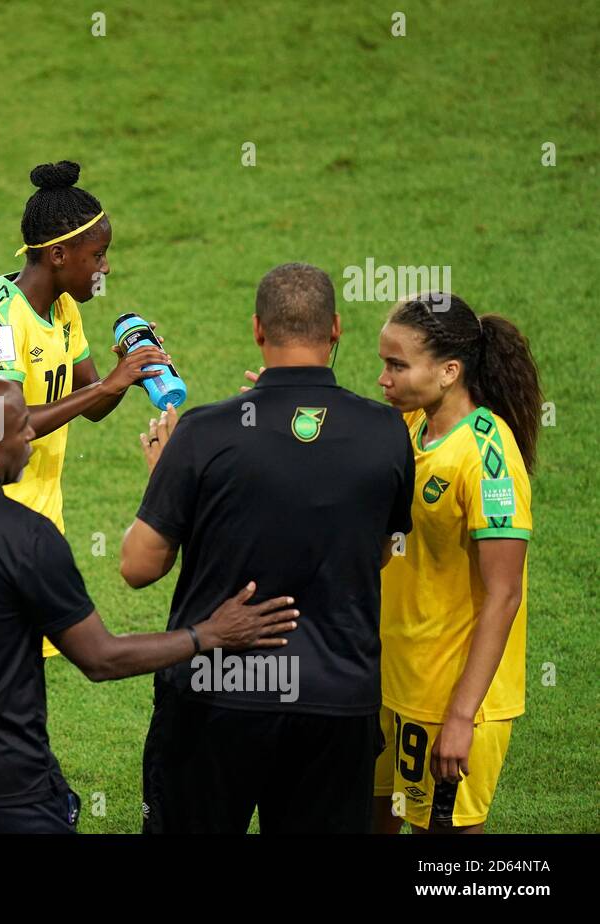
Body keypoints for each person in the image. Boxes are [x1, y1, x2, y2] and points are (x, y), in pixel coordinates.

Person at [0, 373, 299, 833]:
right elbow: (100, 658)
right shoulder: (25, 535)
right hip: (10, 797)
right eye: (21, 428)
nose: (31, 437)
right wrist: (209, 634)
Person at [122, 262, 415, 834]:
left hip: (215, 698)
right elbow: (380, 551)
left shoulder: (202, 434)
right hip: (337, 702)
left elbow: (138, 567)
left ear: (258, 329)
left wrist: (164, 481)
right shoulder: (387, 433)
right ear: (335, 329)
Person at [0, 160, 171, 657]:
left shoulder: (64, 308)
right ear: (58, 254)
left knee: (23, 670)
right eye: (99, 255)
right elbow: (11, 425)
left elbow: (90, 403)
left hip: (41, 518)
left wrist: (132, 373)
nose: (105, 267)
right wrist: (108, 384)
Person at [371, 294, 539, 834]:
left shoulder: (488, 462)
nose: (383, 379)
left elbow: (504, 594)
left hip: (448, 695)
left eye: (397, 365)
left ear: (449, 371)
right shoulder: (412, 426)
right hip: (393, 675)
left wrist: (462, 716)